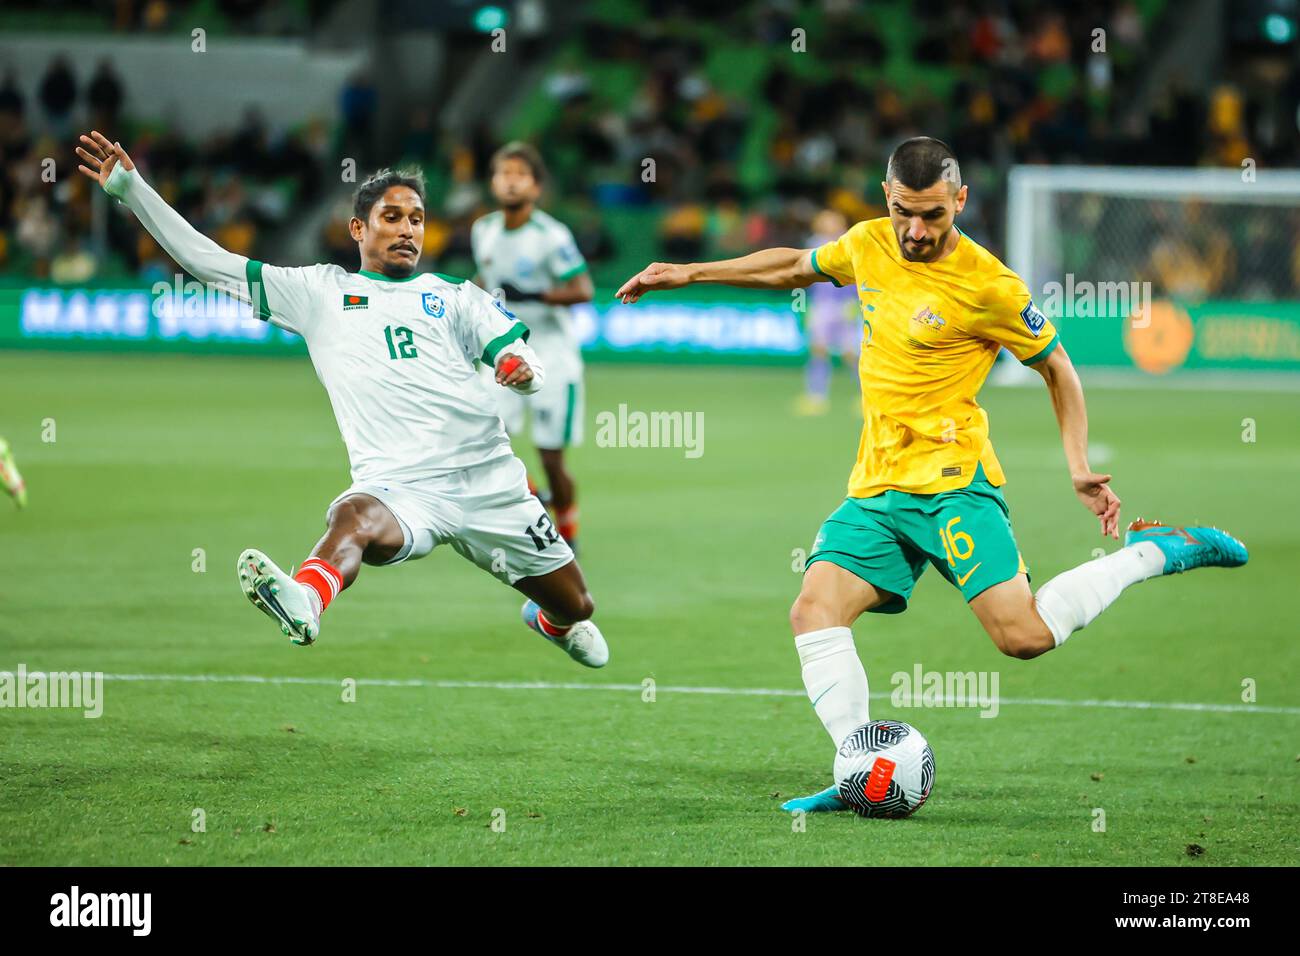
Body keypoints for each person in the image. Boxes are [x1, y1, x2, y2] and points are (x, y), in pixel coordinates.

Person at [616, 136, 1247, 810]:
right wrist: (689, 272)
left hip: (953, 482)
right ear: (887, 199)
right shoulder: (867, 243)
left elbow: (1056, 365)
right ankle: (859, 768)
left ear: (960, 202)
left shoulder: (990, 285)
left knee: (1023, 637)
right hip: (878, 484)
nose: (915, 231)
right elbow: (796, 268)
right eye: (903, 213)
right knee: (814, 609)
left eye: (933, 216)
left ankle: (1156, 551)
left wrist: (1078, 464)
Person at [76, 129, 607, 667]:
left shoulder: (453, 295)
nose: (407, 230)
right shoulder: (319, 294)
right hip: (399, 487)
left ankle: (550, 621)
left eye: (417, 219)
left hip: (490, 483)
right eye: (392, 217)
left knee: (576, 605)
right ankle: (305, 598)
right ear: (358, 228)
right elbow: (209, 261)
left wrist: (521, 370)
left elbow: (522, 357)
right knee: (353, 516)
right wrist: (133, 190)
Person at [471, 142, 592, 550]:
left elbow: (582, 289)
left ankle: (568, 534)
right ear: (492, 182)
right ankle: (534, 496)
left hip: (552, 355)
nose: (510, 180)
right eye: (503, 173)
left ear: (536, 187)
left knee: (552, 458)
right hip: (502, 351)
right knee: (482, 435)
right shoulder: (482, 230)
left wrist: (535, 296)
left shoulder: (551, 235)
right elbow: (485, 282)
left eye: (520, 174)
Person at [0, 436, 26, 509]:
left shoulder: (2, 444)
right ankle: (14, 490)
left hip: (6, 462)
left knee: (13, 480)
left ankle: (16, 489)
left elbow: (8, 460)